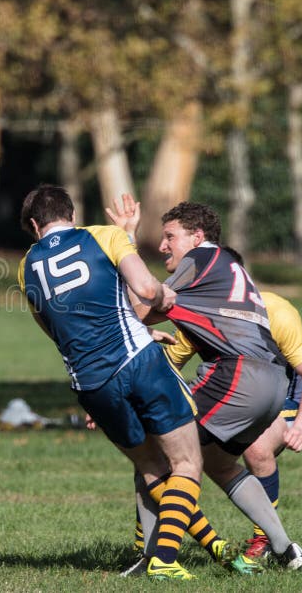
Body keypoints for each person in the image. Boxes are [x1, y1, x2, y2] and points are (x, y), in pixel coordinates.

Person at [18, 184, 235, 581]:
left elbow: (57, 329)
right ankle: (165, 561)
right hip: (138, 364)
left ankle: (213, 546)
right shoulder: (103, 235)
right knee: (187, 463)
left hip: (90, 384)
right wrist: (166, 296)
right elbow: (147, 290)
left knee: (153, 469)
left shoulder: (26, 266)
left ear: (35, 225)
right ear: (72, 213)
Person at [109, 196, 302, 571]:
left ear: (197, 236)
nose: (164, 245)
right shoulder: (226, 266)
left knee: (156, 450)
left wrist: (126, 241)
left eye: (171, 236)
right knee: (219, 464)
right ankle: (286, 550)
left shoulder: (200, 259)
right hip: (271, 384)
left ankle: (156, 557)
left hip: (237, 376)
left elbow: (143, 306)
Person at [169, 247, 302, 560]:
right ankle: (150, 546)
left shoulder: (276, 310)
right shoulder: (209, 314)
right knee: (170, 442)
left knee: (256, 448)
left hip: (284, 400)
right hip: (239, 396)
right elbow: (168, 360)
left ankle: (264, 542)